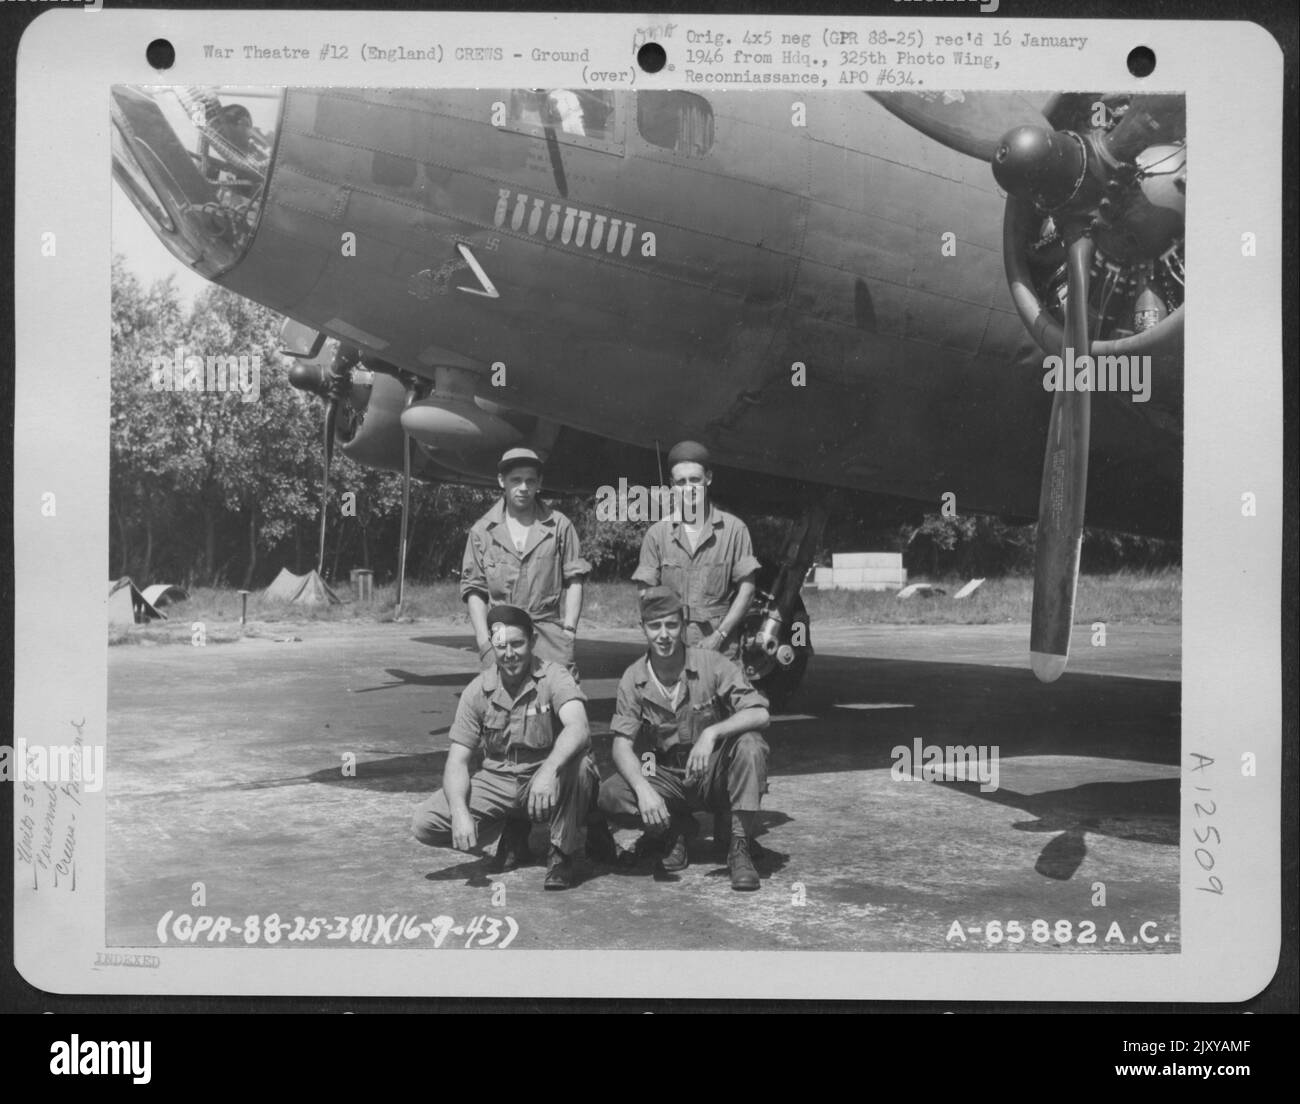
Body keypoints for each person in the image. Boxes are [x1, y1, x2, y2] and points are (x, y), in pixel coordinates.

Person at [410, 605, 607, 890]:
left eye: (518, 644)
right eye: (502, 646)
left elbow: (579, 727)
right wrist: (460, 812)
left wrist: (548, 771)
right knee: (425, 823)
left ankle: (561, 851)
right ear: (493, 646)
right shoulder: (477, 691)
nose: (510, 654)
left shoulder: (554, 676)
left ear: (533, 642)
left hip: (545, 777)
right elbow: (457, 761)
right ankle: (512, 828)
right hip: (499, 782)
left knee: (581, 766)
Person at [597, 586, 772, 891]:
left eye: (671, 625)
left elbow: (760, 713)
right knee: (610, 794)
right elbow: (621, 745)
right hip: (668, 778)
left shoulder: (711, 663)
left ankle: (739, 848)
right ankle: (674, 830)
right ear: (643, 629)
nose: (663, 635)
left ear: (683, 625)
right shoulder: (633, 677)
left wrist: (711, 732)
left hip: (713, 773)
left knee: (751, 744)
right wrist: (643, 790)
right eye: (654, 626)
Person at [461, 447, 590, 675]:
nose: (523, 488)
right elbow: (474, 590)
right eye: (516, 480)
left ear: (539, 482)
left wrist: (568, 632)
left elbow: (574, 580)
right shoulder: (482, 531)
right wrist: (484, 642)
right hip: (501, 635)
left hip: (548, 633)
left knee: (562, 702)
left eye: (530, 481)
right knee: (501, 704)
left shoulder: (560, 526)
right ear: (502, 481)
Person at [632, 440, 759, 663]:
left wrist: (719, 636)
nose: (689, 488)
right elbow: (646, 596)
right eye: (681, 482)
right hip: (671, 650)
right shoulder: (657, 534)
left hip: (721, 650)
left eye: (695, 480)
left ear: (708, 478)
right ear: (672, 484)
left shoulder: (734, 530)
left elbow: (747, 591)